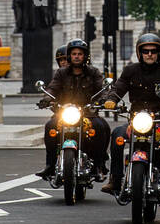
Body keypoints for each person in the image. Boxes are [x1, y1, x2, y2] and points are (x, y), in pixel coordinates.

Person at [99, 32, 160, 195]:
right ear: (139, 53)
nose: (149, 54)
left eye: (153, 51)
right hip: (136, 119)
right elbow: (119, 87)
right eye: (145, 51)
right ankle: (115, 178)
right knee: (117, 135)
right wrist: (111, 100)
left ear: (159, 52)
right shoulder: (130, 70)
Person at [35, 39, 110, 180]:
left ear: (85, 56)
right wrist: (46, 98)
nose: (76, 56)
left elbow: (102, 89)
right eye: (74, 53)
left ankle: (98, 165)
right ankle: (50, 164)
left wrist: (104, 100)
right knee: (49, 126)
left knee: (101, 127)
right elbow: (53, 87)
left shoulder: (93, 72)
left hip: (88, 113)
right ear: (70, 56)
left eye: (80, 54)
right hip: (65, 111)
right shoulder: (61, 73)